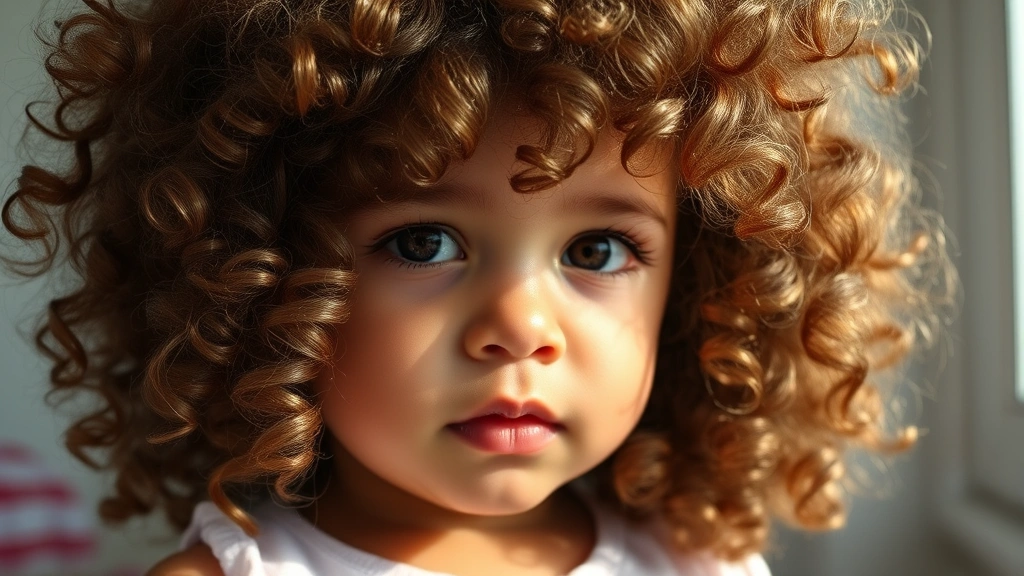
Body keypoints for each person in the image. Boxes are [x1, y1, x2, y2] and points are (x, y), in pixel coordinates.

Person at [1, 0, 953, 574]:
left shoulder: (696, 561)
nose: (519, 327)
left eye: (596, 253)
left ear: (703, 288)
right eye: (424, 241)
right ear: (256, 277)